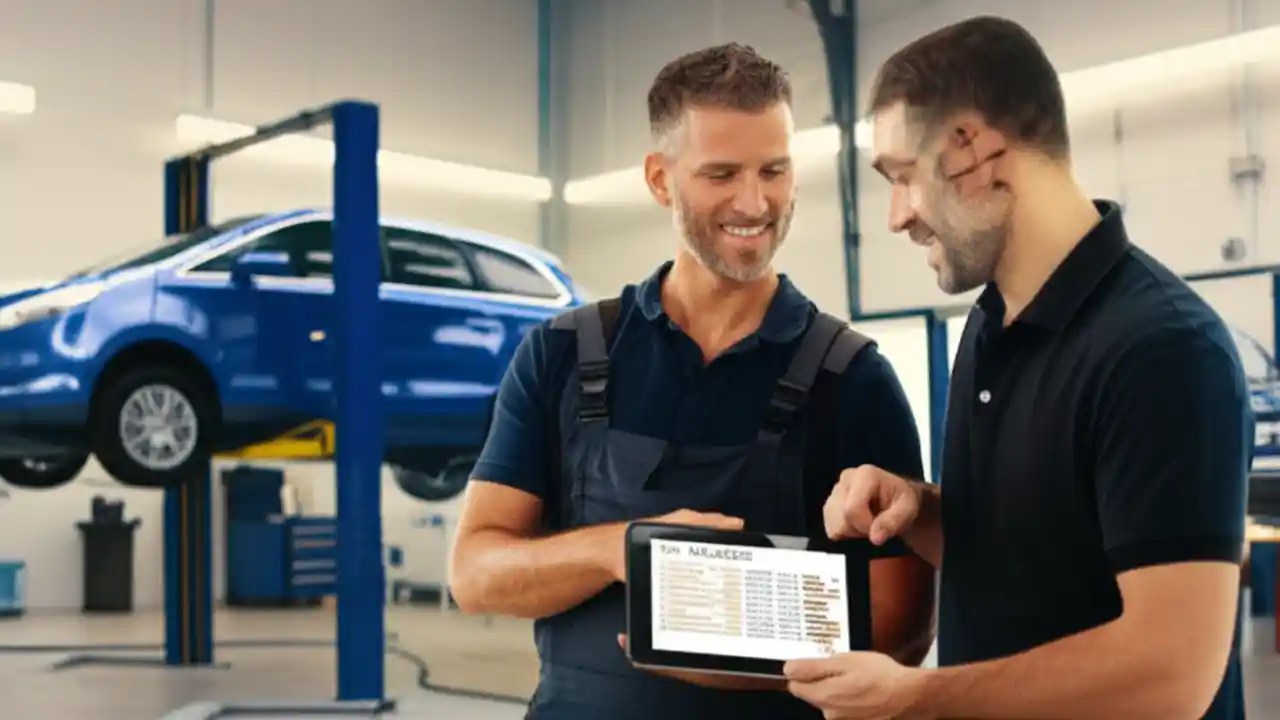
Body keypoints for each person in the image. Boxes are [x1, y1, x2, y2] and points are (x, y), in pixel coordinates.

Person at [783, 15, 1253, 720]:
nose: (896, 217)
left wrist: (918, 698)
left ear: (972, 150)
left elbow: (1171, 674)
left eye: (903, 177)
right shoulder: (991, 324)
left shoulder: (1161, 349)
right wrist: (920, 509)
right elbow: (1031, 562)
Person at [448, 43, 937, 719]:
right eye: (721, 173)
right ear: (659, 179)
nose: (754, 201)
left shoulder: (852, 379)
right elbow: (474, 574)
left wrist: (716, 655)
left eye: (774, 170)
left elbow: (904, 630)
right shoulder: (562, 354)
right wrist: (622, 550)